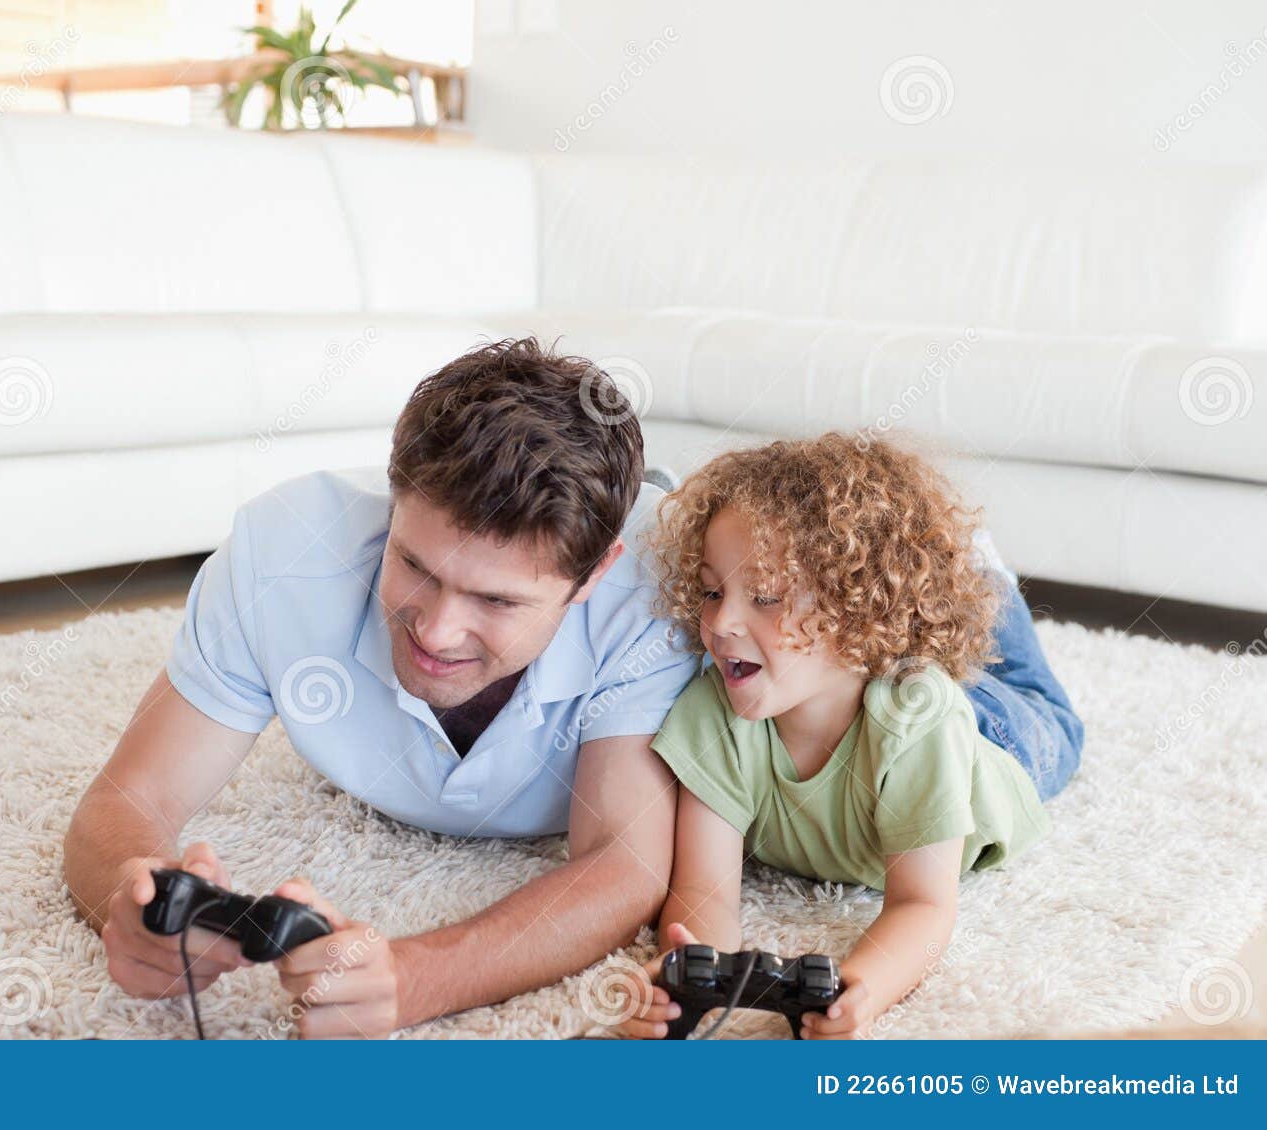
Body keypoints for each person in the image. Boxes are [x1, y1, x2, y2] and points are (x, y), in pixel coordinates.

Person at [64, 338, 702, 1038]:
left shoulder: (657, 586)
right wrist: (129, 894)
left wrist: (416, 977)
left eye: (496, 601)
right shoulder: (281, 553)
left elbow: (623, 863)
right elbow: (128, 797)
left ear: (592, 577)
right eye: (415, 565)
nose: (437, 631)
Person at [617, 433, 1083, 1040]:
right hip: (867, 681)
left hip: (997, 738)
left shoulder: (921, 724)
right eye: (712, 589)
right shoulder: (713, 715)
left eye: (763, 597)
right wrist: (685, 976)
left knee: (1036, 700)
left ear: (855, 610)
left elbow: (922, 902)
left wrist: (864, 986)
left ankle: (978, 565)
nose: (721, 621)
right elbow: (705, 887)